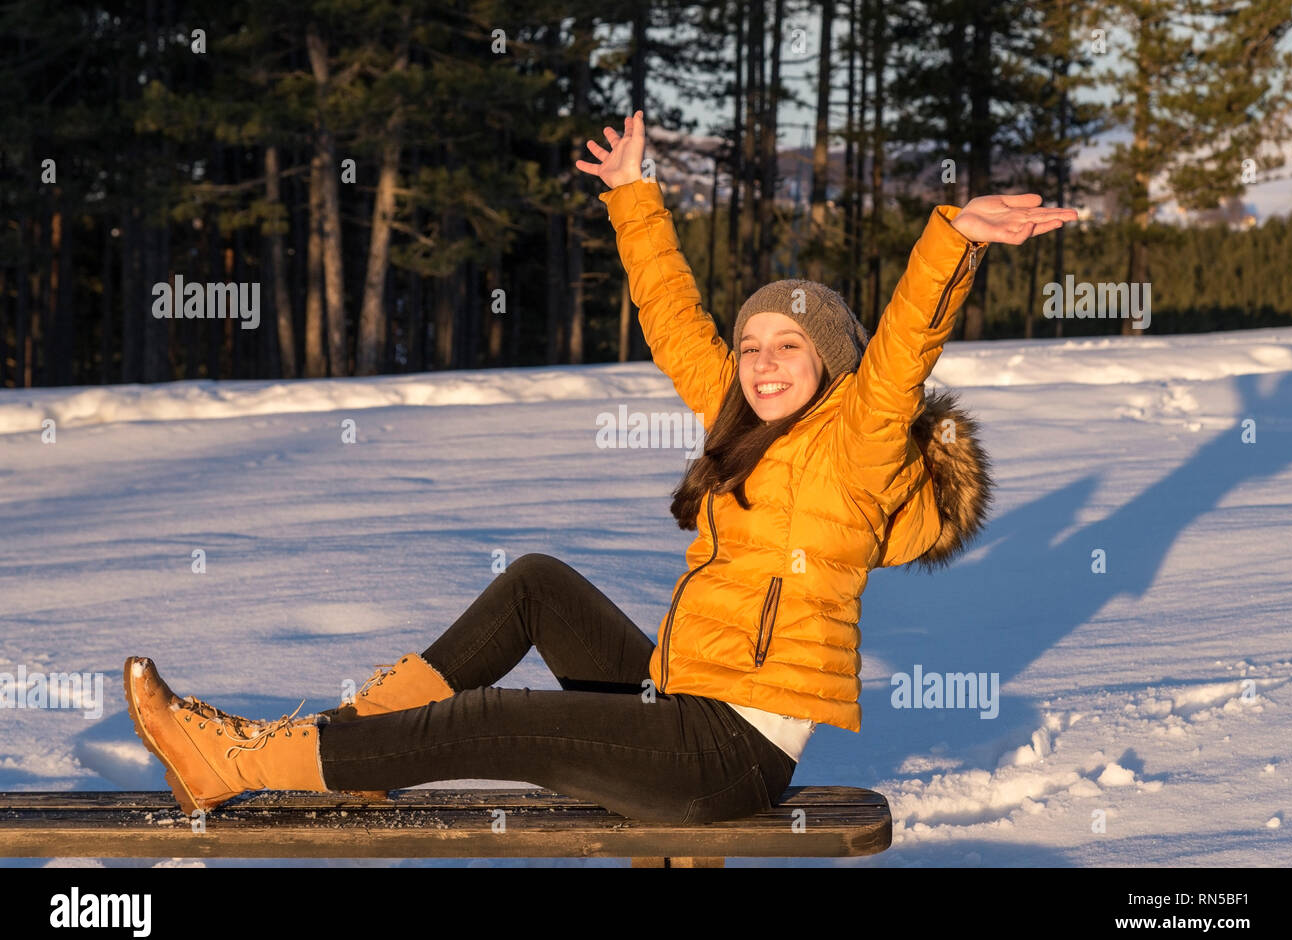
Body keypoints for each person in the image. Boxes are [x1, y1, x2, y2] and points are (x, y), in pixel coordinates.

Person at [124, 109, 1076, 826]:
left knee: (493, 720)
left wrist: (954, 240)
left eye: (790, 345)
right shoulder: (738, 420)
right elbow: (673, 318)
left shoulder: (858, 441)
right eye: (753, 345)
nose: (763, 361)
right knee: (537, 584)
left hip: (730, 751)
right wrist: (634, 193)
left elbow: (907, 344)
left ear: (830, 362)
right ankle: (360, 739)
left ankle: (245, 760)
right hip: (683, 700)